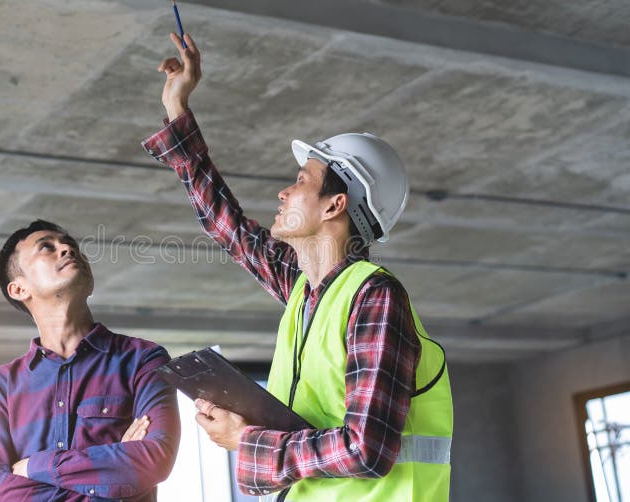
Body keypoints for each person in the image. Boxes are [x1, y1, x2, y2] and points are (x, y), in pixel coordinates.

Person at [141, 33, 453, 501]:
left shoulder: (374, 298)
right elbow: (227, 226)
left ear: (335, 206)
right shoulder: (308, 293)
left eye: (301, 180)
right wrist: (177, 109)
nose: (285, 192)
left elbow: (366, 449)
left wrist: (247, 442)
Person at [0, 219, 180, 501]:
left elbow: (155, 458)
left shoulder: (144, 359)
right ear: (19, 289)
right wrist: (111, 478)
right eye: (47, 247)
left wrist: (34, 467)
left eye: (71, 244)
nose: (67, 248)